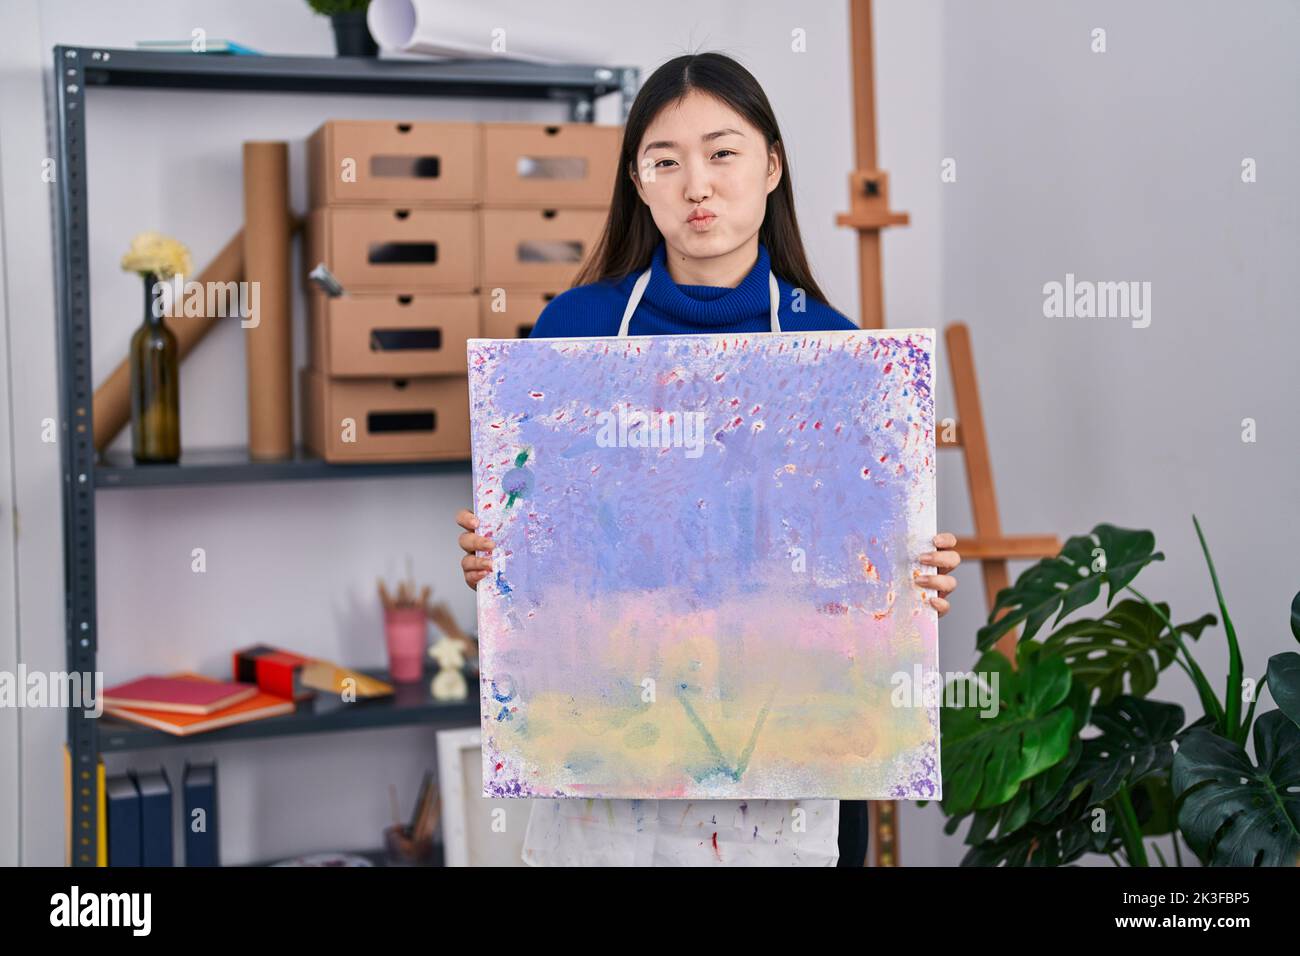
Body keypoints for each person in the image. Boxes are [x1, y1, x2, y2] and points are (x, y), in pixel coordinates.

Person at [455, 51, 961, 866]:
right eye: (667, 160)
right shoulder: (568, 334)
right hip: (605, 760)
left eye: (723, 153)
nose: (698, 184)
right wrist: (498, 557)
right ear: (637, 180)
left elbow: (856, 583)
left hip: (779, 774)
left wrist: (912, 576)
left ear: (771, 165)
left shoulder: (833, 348)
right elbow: (539, 543)